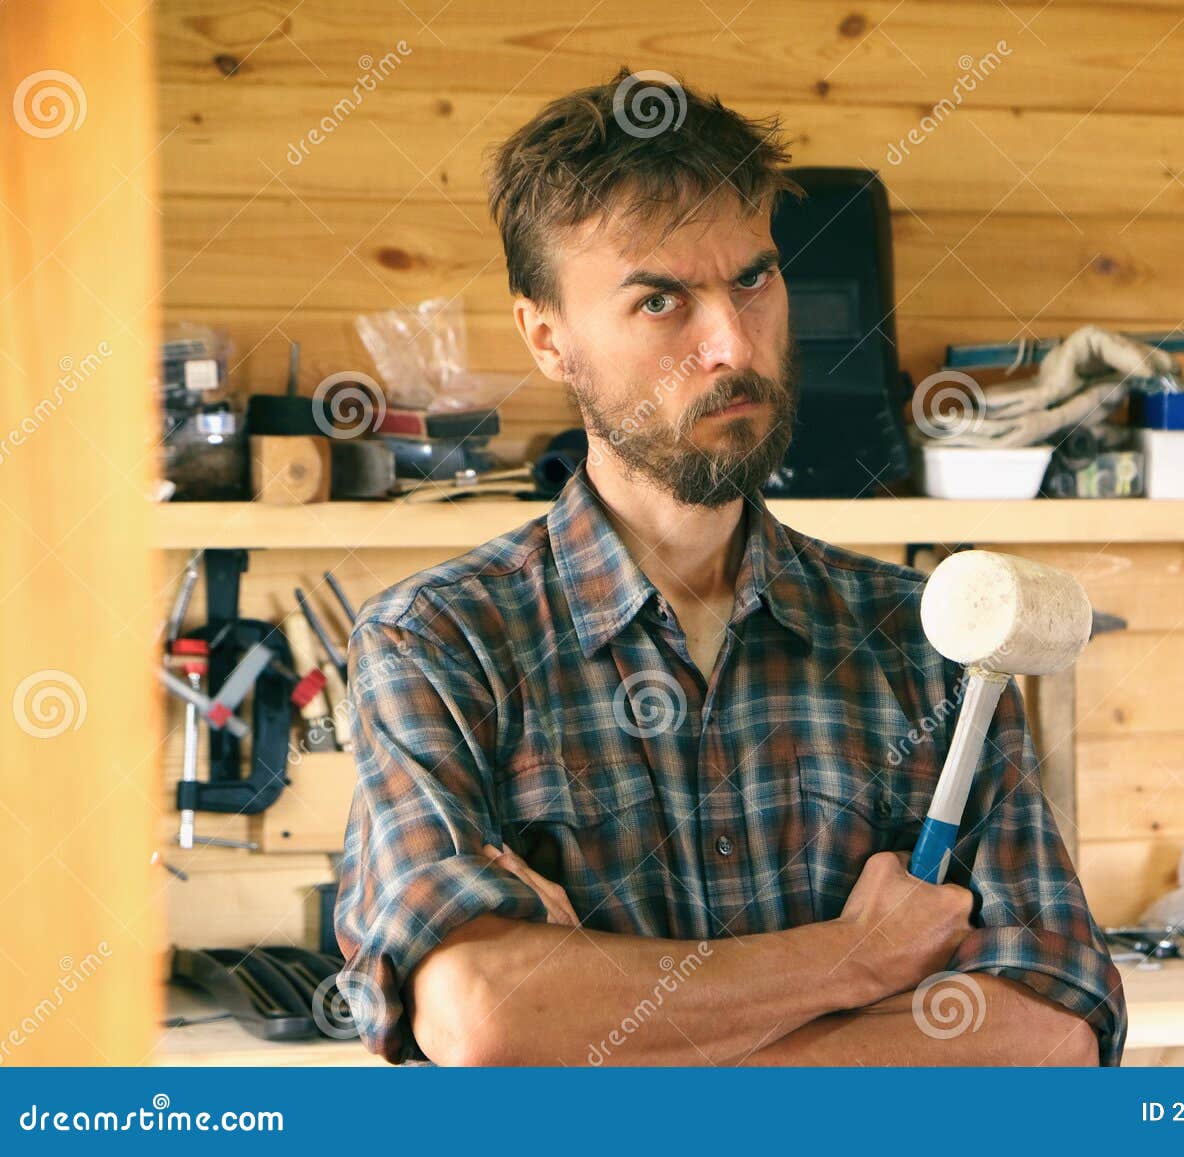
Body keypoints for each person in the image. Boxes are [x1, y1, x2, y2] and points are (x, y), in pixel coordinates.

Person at [334, 67, 1126, 1067]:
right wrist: (859, 957)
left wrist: (615, 1036)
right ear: (548, 336)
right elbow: (484, 1014)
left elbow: (1054, 1025)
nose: (730, 343)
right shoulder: (441, 643)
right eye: (661, 299)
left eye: (752, 279)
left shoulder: (930, 643)